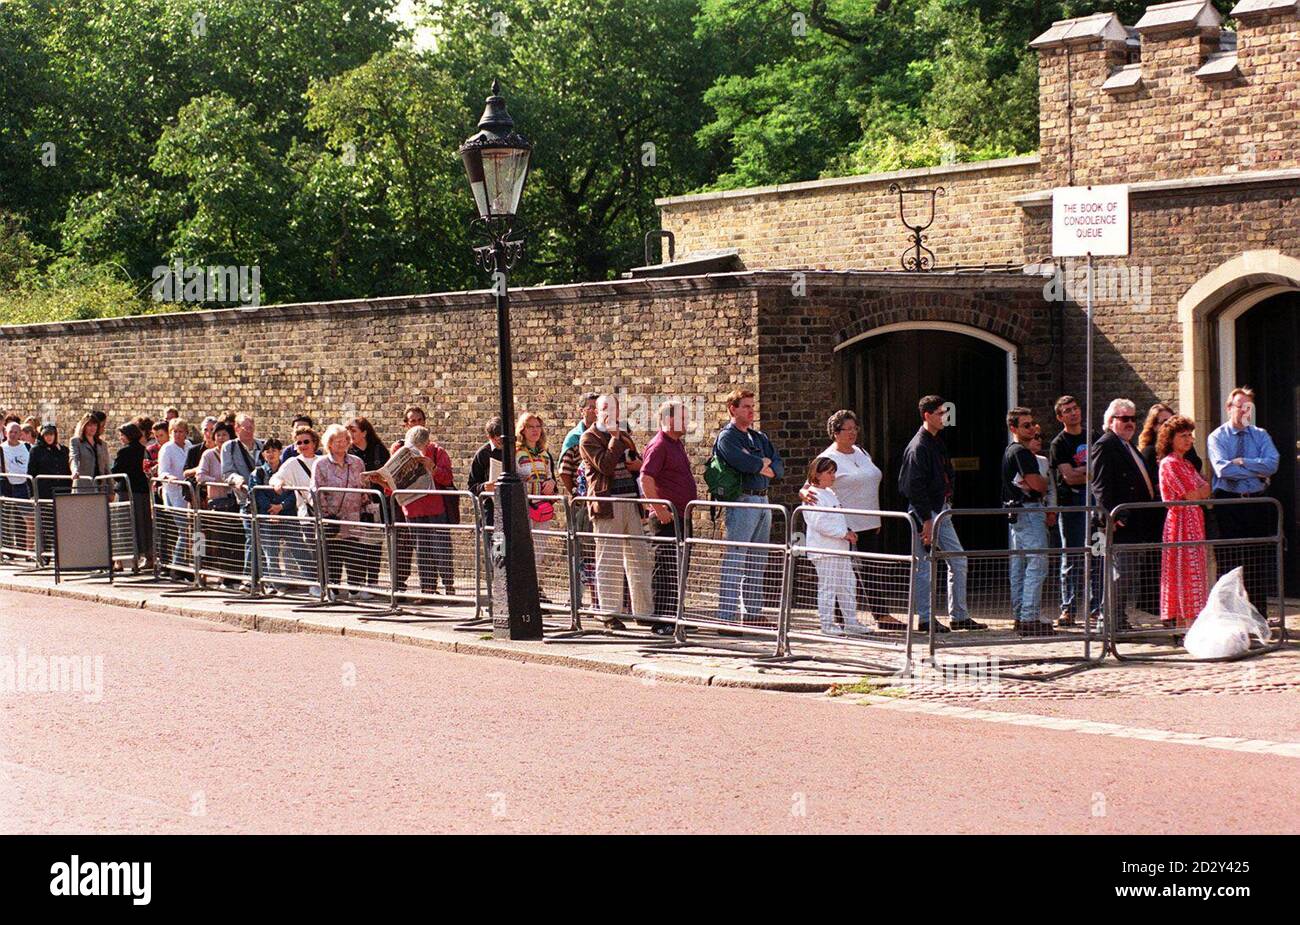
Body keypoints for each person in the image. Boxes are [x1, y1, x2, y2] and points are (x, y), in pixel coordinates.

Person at [799, 410, 900, 630]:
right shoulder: (828, 457)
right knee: (841, 575)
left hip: (870, 520)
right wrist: (803, 493)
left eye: (855, 428)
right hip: (846, 525)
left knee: (869, 570)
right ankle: (838, 619)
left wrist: (877, 518)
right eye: (848, 429)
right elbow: (809, 485)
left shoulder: (861, 452)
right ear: (835, 433)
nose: (853, 433)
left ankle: (877, 615)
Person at [899, 395, 984, 633]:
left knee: (957, 560)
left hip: (941, 509)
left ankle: (959, 615)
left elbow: (945, 475)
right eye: (940, 413)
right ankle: (926, 619)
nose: (945, 417)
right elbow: (912, 486)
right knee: (924, 565)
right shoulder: (919, 446)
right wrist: (925, 518)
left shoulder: (937, 442)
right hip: (926, 512)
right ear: (927, 415)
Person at [580, 394, 654, 630]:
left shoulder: (625, 435)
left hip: (631, 501)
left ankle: (644, 612)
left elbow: (635, 462)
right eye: (605, 409)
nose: (611, 414)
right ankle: (609, 614)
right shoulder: (589, 438)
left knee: (639, 558)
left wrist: (637, 463)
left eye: (615, 409)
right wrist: (614, 440)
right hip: (607, 505)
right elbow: (605, 466)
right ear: (597, 412)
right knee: (609, 560)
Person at [712, 389, 784, 627]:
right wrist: (759, 464)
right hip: (742, 500)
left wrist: (763, 465)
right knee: (736, 558)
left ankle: (753, 613)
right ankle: (727, 617)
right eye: (746, 407)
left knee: (758, 560)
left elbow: (778, 466)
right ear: (733, 408)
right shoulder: (727, 437)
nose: (751, 411)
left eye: (753, 406)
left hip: (763, 499)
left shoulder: (758, 437)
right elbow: (743, 463)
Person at [1207, 386, 1281, 617]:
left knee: (1256, 563)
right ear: (1229, 408)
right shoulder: (1217, 437)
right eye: (1240, 406)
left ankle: (1258, 617)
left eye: (1249, 407)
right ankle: (1229, 617)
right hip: (1228, 504)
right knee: (1229, 562)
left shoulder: (1261, 435)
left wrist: (1241, 462)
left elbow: (1272, 464)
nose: (1245, 411)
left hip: (1255, 503)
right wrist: (1254, 469)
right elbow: (1222, 470)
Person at [1090, 398, 1161, 629]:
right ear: (1111, 421)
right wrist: (1111, 516)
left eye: (1133, 418)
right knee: (1121, 574)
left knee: (1127, 574)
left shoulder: (1127, 445)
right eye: (1124, 419)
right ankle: (1108, 619)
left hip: (1136, 521)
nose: (1131, 423)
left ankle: (1117, 618)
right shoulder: (1105, 445)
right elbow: (1100, 486)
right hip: (1121, 521)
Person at [638, 400, 697, 634]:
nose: (687, 423)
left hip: (682, 515)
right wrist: (659, 508)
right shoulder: (659, 445)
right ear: (669, 419)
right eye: (683, 418)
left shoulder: (676, 444)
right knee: (665, 567)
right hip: (667, 517)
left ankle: (676, 615)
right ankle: (662, 621)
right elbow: (646, 478)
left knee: (679, 567)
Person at [1049, 395, 1101, 627]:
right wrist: (1086, 471)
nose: (1073, 413)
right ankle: (1068, 609)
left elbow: (1099, 471)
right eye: (1067, 410)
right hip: (1072, 504)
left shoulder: (1093, 437)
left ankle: (1096, 608)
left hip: (1095, 502)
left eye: (1076, 408)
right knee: (1071, 556)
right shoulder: (1059, 444)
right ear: (1060, 417)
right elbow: (1068, 477)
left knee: (1098, 554)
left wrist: (1082, 470)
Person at [803, 457, 869, 636]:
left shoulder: (830, 493)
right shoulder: (814, 495)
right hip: (825, 551)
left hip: (839, 549)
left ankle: (851, 622)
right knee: (828, 587)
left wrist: (847, 531)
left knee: (848, 585)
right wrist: (843, 534)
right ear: (817, 474)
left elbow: (836, 519)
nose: (833, 476)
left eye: (834, 472)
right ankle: (827, 624)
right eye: (829, 472)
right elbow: (820, 523)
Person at [1157, 416, 1212, 628]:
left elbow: (1206, 489)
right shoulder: (1169, 464)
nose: (1189, 439)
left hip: (1194, 521)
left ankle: (1192, 622)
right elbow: (1191, 494)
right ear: (1171, 439)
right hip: (1180, 523)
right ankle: (1183, 624)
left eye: (1190, 435)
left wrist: (1199, 491)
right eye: (1183, 436)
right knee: (1181, 572)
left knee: (1195, 571)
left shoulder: (1187, 464)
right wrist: (1198, 492)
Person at [1003, 407, 1053, 636]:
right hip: (1028, 511)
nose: (1032, 428)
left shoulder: (1010, 451)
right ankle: (1029, 618)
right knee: (1037, 564)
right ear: (1013, 428)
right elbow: (1038, 485)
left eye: (1032, 424)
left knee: (1020, 567)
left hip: (1017, 513)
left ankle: (1021, 615)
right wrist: (1042, 483)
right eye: (1026, 425)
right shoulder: (1021, 453)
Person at [311, 423, 373, 600]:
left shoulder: (357, 463)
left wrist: (367, 507)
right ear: (329, 443)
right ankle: (332, 588)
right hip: (332, 518)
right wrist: (325, 515)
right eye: (337, 441)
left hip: (353, 516)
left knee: (355, 553)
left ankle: (355, 588)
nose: (342, 444)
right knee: (332, 555)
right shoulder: (321, 464)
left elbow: (364, 488)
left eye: (345, 440)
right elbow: (316, 490)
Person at [397, 425, 456, 597]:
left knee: (441, 548)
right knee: (422, 551)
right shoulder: (400, 452)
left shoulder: (438, 452)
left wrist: (433, 468)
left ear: (427, 443)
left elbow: (448, 478)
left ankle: (449, 586)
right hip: (413, 508)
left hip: (435, 508)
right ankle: (428, 589)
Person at [269, 426, 323, 596]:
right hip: (307, 513)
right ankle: (315, 583)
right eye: (298, 442)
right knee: (312, 550)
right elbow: (276, 477)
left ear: (314, 443)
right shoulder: (293, 463)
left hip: (326, 512)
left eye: (306, 441)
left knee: (326, 550)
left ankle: (328, 583)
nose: (302, 445)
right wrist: (278, 484)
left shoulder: (322, 461)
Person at [560, 393, 600, 605]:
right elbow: (564, 471)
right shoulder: (575, 437)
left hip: (598, 502)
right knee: (580, 551)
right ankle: (575, 598)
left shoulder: (605, 433)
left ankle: (597, 598)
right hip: (582, 504)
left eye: (597, 407)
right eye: (591, 407)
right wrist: (576, 493)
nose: (595, 411)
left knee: (595, 552)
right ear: (582, 410)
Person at [515, 412, 558, 600]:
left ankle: (536, 589)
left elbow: (550, 477)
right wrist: (531, 483)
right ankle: (524, 590)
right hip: (524, 508)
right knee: (524, 550)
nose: (535, 431)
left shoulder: (545, 454)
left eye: (538, 427)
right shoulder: (516, 453)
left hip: (542, 508)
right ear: (522, 430)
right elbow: (514, 479)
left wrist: (551, 484)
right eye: (531, 427)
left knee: (539, 550)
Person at [248, 438, 299, 592]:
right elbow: (256, 493)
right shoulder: (258, 472)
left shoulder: (287, 472)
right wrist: (271, 509)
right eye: (267, 451)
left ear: (280, 452)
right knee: (271, 553)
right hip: (266, 518)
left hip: (286, 516)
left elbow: (293, 492)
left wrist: (281, 507)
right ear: (263, 454)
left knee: (296, 549)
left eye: (274, 451)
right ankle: (275, 584)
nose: (271, 454)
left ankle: (307, 580)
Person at [111, 422, 152, 568]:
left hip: (125, 492)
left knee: (123, 525)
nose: (121, 438)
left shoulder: (124, 452)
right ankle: (146, 556)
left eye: (122, 435)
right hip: (142, 492)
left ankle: (123, 560)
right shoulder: (144, 450)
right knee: (143, 524)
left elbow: (115, 472)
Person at [157, 419, 193, 575]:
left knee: (197, 532)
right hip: (174, 494)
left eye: (180, 431)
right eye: (174, 431)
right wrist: (169, 477)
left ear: (186, 433)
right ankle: (176, 567)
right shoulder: (167, 448)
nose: (177, 435)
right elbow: (162, 471)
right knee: (184, 531)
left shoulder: (189, 446)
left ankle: (193, 565)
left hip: (191, 494)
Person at [1, 421, 34, 555]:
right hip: (6, 485)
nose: (13, 435)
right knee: (4, 521)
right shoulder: (1, 448)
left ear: (20, 433)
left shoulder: (27, 447)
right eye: (11, 432)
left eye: (16, 432)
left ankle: (29, 551)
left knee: (30, 520)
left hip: (22, 485)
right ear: (5, 433)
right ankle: (3, 552)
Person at [467, 416, 506, 526]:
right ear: (489, 437)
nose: (501, 443)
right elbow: (471, 486)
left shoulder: (512, 450)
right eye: (497, 440)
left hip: (510, 507)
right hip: (491, 510)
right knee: (494, 541)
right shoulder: (483, 454)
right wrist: (484, 487)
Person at [68, 412, 110, 491]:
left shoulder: (102, 444)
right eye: (89, 425)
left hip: (100, 486)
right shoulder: (76, 441)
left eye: (95, 425)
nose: (93, 428)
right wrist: (75, 471)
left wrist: (111, 490)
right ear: (84, 426)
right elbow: (74, 458)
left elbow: (106, 468)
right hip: (83, 486)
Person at [28, 423, 70, 500]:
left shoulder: (63, 450)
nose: (49, 437)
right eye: (46, 435)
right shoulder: (36, 450)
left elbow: (67, 469)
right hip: (44, 490)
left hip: (62, 489)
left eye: (51, 434)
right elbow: (31, 472)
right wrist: (32, 493)